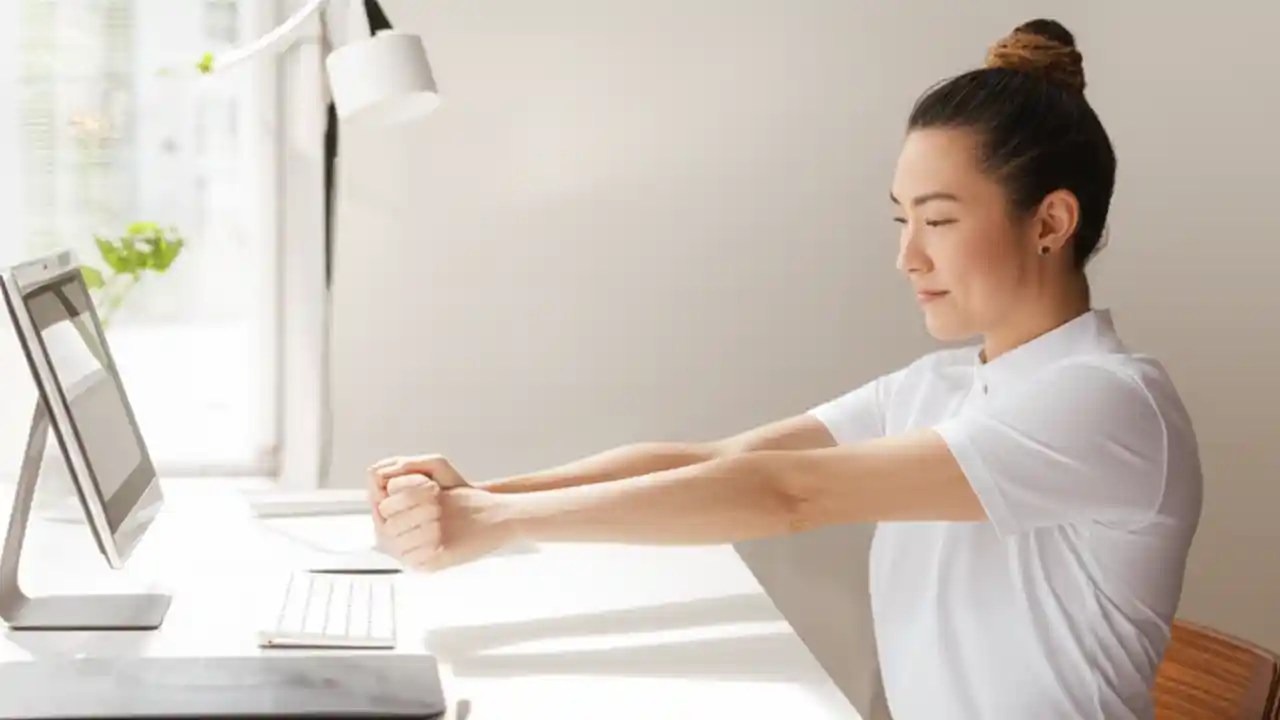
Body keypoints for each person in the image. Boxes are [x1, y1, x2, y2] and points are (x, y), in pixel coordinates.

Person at [365, 18, 1202, 720]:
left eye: (939, 220)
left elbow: (788, 492)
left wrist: (499, 525)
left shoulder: (1109, 404)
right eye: (901, 220)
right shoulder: (939, 389)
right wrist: (483, 497)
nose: (908, 256)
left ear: (1050, 220)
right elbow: (722, 461)